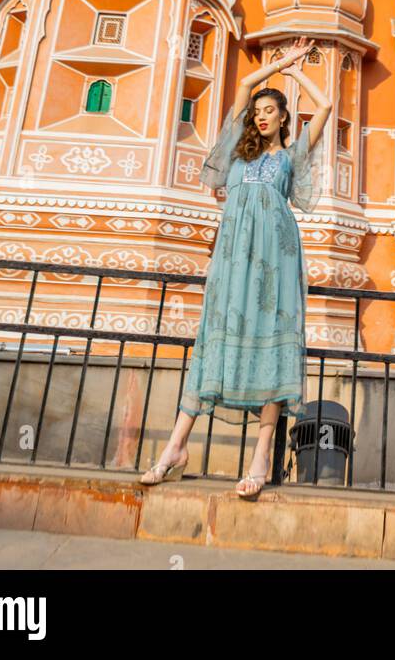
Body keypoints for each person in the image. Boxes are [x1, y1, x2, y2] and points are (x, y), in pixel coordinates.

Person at [140, 37, 332, 499]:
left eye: (271, 110)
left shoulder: (291, 156)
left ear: (284, 116)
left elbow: (325, 104)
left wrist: (296, 74)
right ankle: (175, 448)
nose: (262, 115)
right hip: (232, 259)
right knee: (215, 338)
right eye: (258, 110)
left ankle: (261, 453)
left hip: (278, 262)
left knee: (272, 346)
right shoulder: (239, 154)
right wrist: (277, 64)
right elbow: (245, 83)